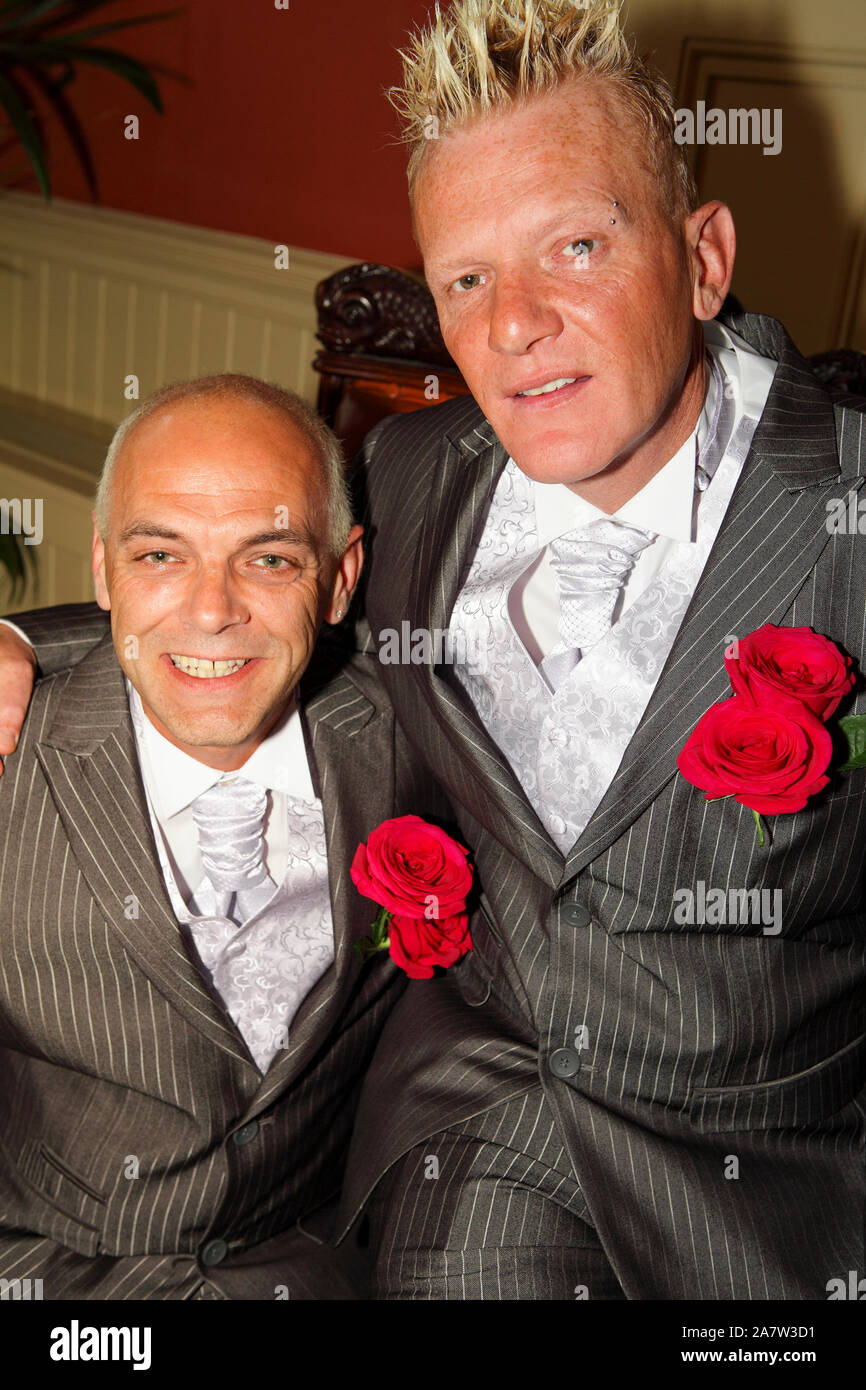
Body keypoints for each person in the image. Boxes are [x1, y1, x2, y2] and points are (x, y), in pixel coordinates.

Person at [3, 0, 865, 1301]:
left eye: (575, 245)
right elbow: (252, 582)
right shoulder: (416, 473)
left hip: (769, 1190)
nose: (512, 323)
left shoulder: (845, 511)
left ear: (701, 258)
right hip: (476, 1131)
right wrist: (20, 641)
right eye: (465, 278)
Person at [0, 373, 449, 1300]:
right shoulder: (13, 753)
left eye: (271, 560)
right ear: (101, 572)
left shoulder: (421, 741)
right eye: (161, 556)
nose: (212, 612)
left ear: (342, 579)